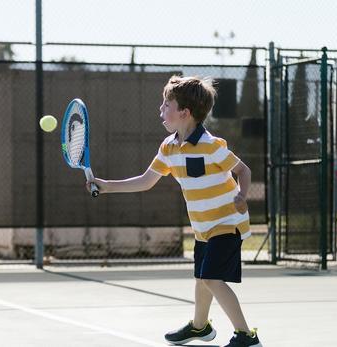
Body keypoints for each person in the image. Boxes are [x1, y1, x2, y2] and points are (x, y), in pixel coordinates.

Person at [86, 75, 261, 347]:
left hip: (228, 222)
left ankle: (246, 336)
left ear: (185, 112)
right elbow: (146, 180)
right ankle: (200, 328)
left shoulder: (212, 146)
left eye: (167, 103)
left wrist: (241, 193)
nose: (161, 109)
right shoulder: (168, 148)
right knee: (201, 278)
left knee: (212, 278)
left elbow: (243, 170)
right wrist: (107, 186)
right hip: (203, 226)